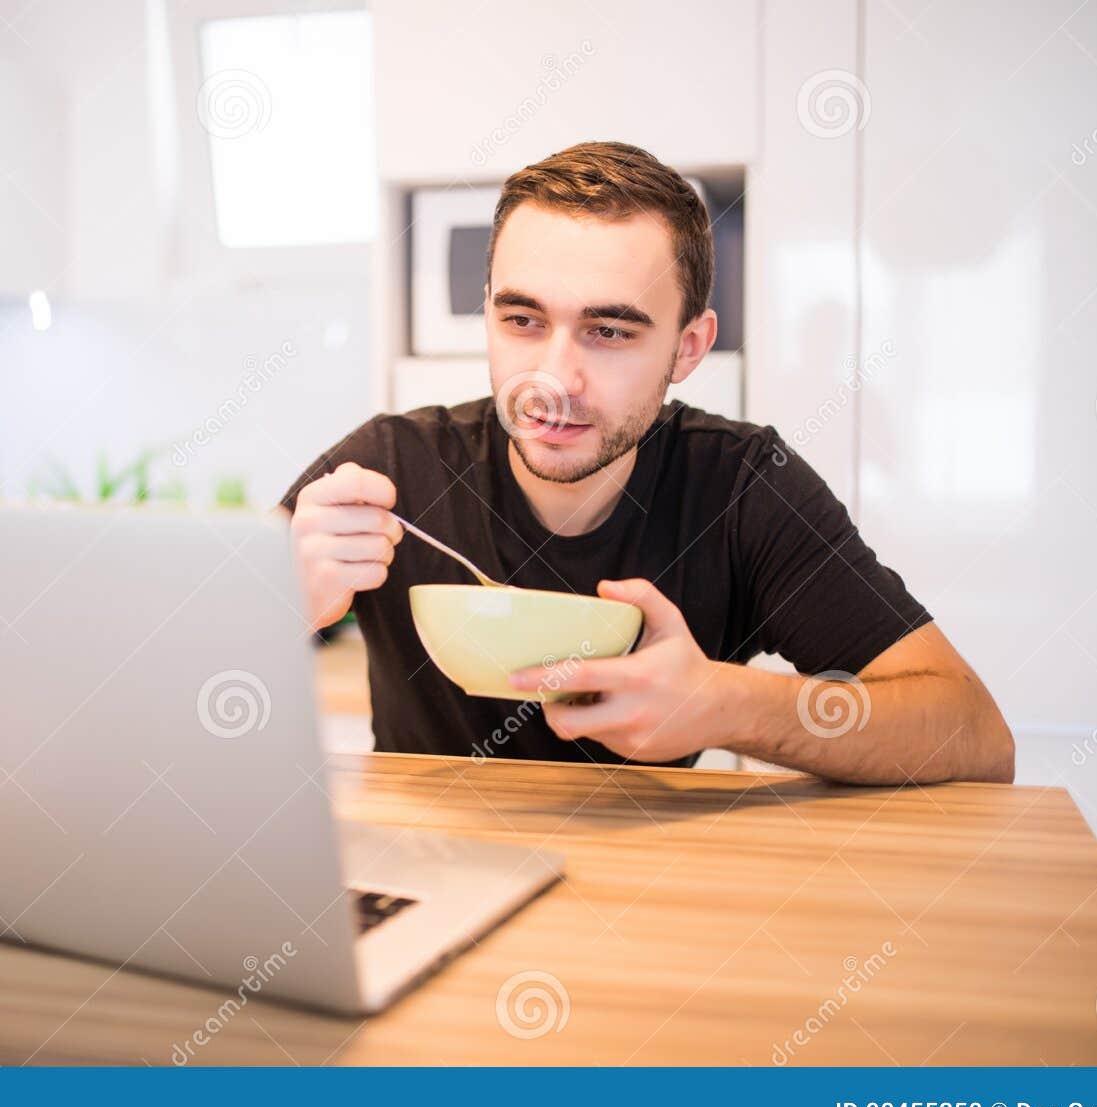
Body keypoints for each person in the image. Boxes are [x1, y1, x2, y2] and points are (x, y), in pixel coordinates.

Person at [278, 141, 1013, 785]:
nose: (553, 380)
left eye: (608, 331)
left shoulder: (742, 487)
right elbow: (175, 688)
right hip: (421, 882)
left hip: (649, 901)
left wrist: (725, 705)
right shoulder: (389, 468)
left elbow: (975, 734)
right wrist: (276, 607)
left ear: (688, 348)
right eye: (523, 321)